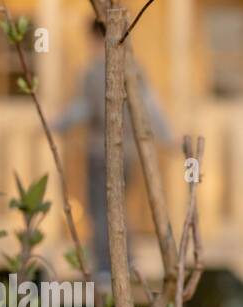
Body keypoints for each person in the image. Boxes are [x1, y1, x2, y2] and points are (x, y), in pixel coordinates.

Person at [52, 18, 172, 285]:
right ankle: (125, 263)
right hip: (128, 153)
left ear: (97, 39)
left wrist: (54, 125)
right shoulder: (133, 69)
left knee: (101, 210)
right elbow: (151, 106)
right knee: (120, 209)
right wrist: (167, 137)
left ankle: (107, 267)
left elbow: (81, 109)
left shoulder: (94, 71)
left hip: (101, 152)